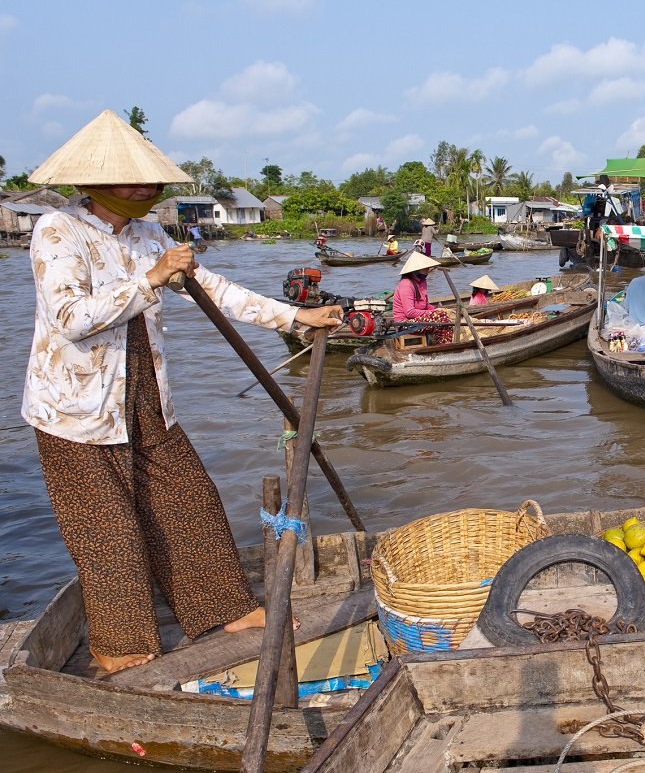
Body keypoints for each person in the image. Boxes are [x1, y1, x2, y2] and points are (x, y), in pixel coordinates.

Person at [21, 110, 343, 674]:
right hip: (75, 409)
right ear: (93, 183)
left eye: (151, 181)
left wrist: (297, 317)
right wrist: (148, 281)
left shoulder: (149, 234)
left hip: (147, 399)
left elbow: (216, 291)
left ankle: (227, 608)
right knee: (109, 533)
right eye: (132, 181)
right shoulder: (57, 230)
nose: (146, 190)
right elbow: (70, 317)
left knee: (190, 503)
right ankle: (119, 643)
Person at [392, 251, 453, 343]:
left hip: (417, 319)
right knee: (441, 317)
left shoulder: (422, 282)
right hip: (404, 324)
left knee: (444, 316)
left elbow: (425, 304)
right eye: (425, 268)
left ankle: (442, 344)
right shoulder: (406, 284)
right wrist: (433, 312)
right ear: (417, 269)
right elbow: (409, 312)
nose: (428, 270)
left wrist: (438, 309)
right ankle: (442, 344)